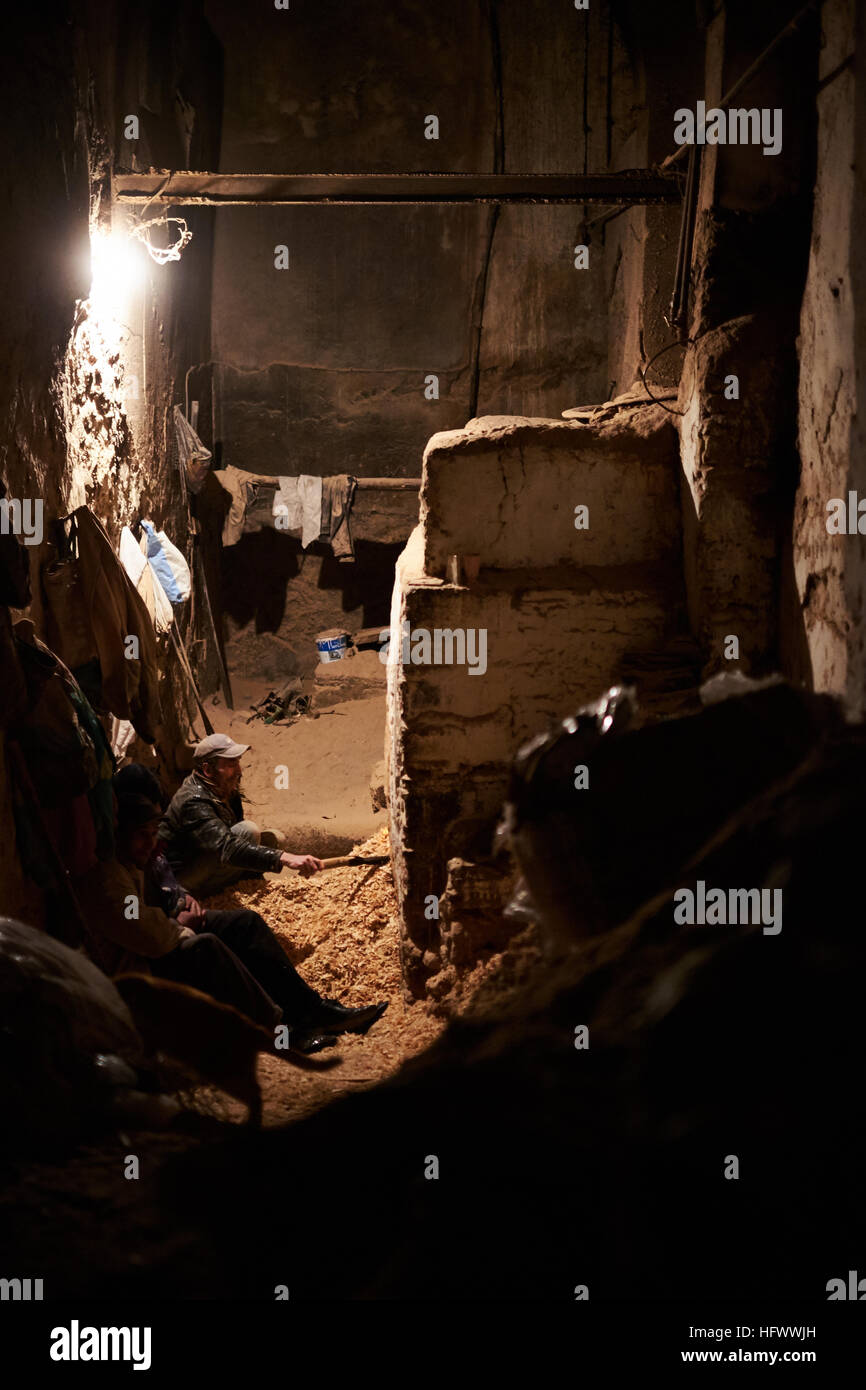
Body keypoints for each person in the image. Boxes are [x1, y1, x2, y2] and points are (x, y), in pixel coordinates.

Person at [74, 792, 388, 1053]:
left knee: (243, 923)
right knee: (206, 948)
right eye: (140, 836)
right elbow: (149, 936)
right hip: (135, 971)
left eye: (152, 834)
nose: (149, 843)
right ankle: (279, 1031)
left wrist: (181, 902)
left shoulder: (138, 862)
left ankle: (312, 1009)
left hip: (162, 934)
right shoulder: (108, 880)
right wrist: (181, 923)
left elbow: (165, 887)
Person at [159, 733, 324, 898]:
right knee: (249, 831)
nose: (239, 770)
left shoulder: (224, 787)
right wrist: (285, 858)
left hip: (211, 858)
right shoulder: (193, 801)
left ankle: (247, 883)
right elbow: (227, 847)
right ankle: (207, 894)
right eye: (231, 763)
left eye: (238, 761)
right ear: (208, 770)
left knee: (274, 839)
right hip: (181, 880)